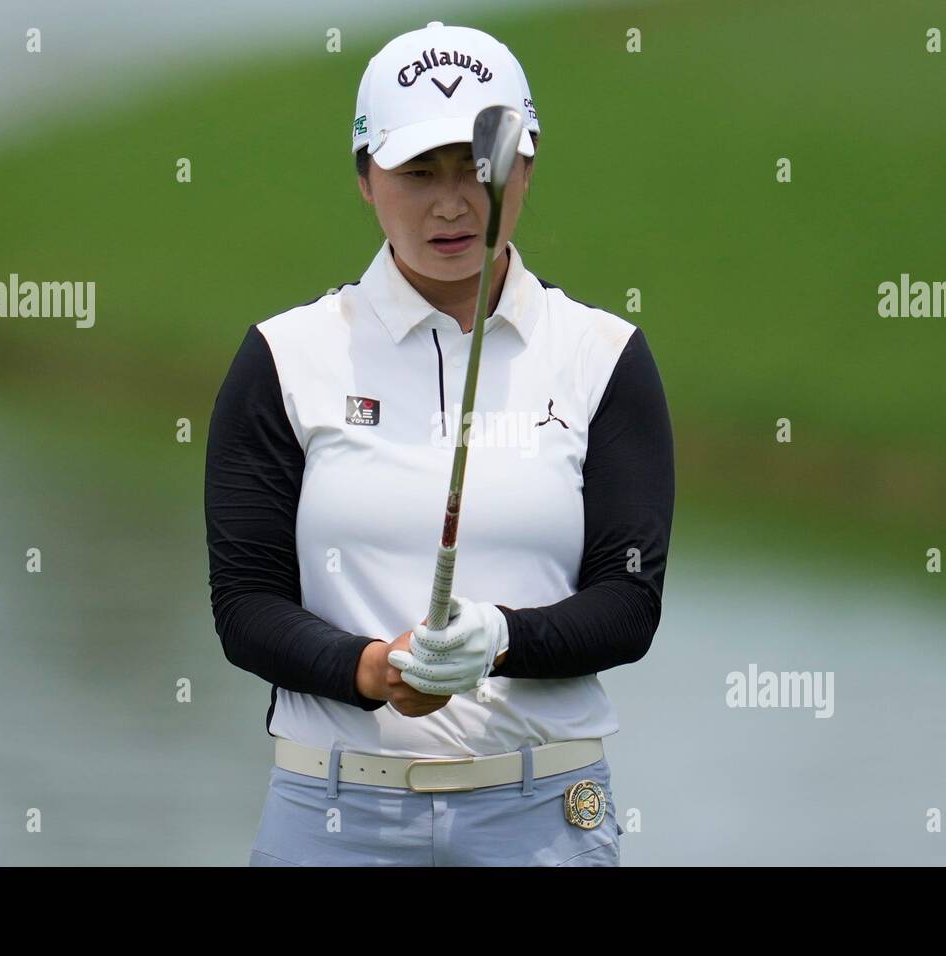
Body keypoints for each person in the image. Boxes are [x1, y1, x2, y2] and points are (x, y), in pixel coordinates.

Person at [204, 20, 674, 866]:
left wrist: (500, 638)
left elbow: (629, 605)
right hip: (335, 814)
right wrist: (368, 669)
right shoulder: (287, 357)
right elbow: (245, 606)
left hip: (544, 814)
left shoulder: (601, 357)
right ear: (365, 178)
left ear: (524, 168)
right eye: (418, 172)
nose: (451, 203)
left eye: (476, 168)